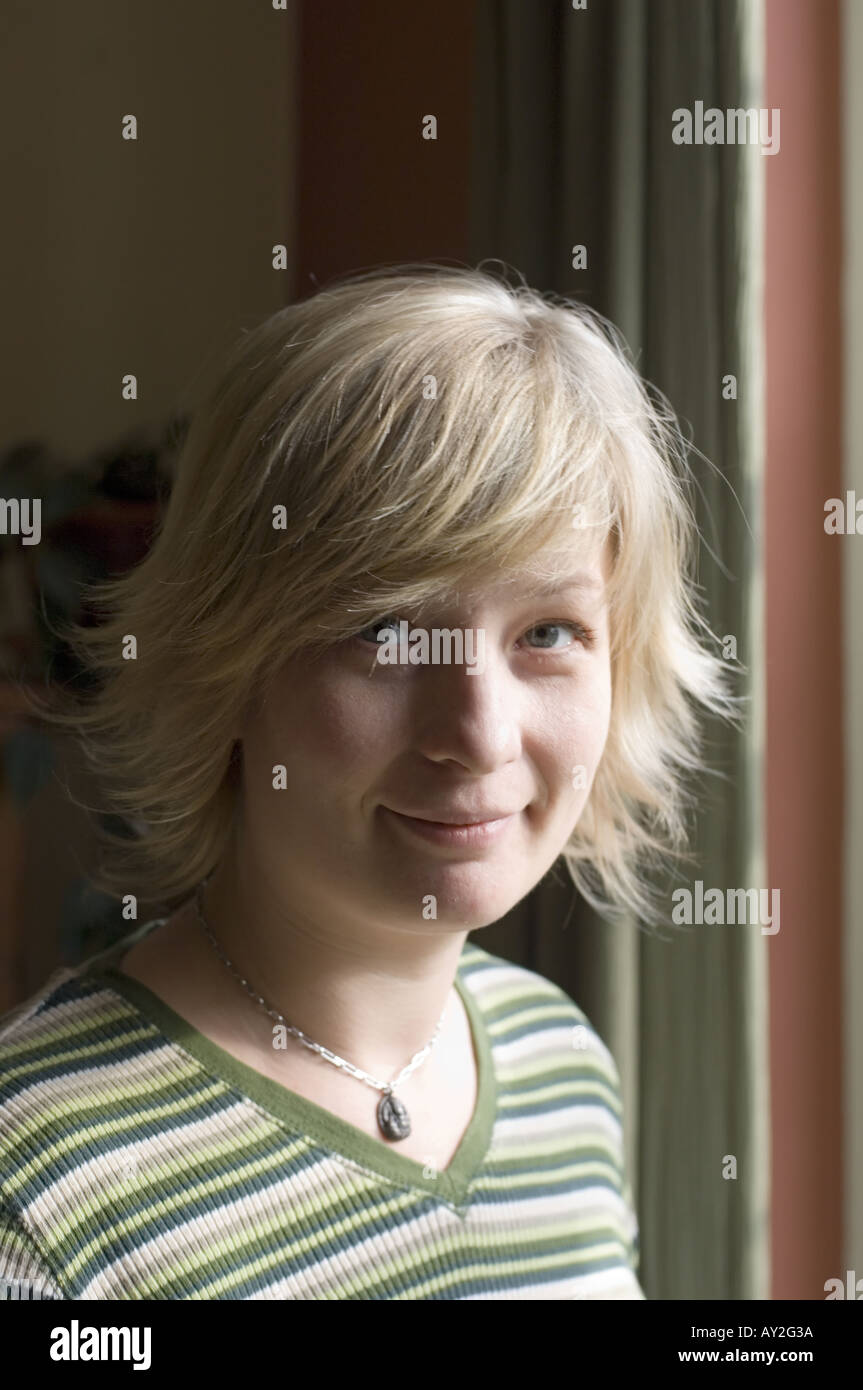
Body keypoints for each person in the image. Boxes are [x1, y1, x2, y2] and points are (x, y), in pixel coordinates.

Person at [0, 264, 736, 1300]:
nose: (478, 735)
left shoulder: (560, 1069)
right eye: (385, 630)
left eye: (547, 632)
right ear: (229, 660)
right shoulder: (39, 1187)